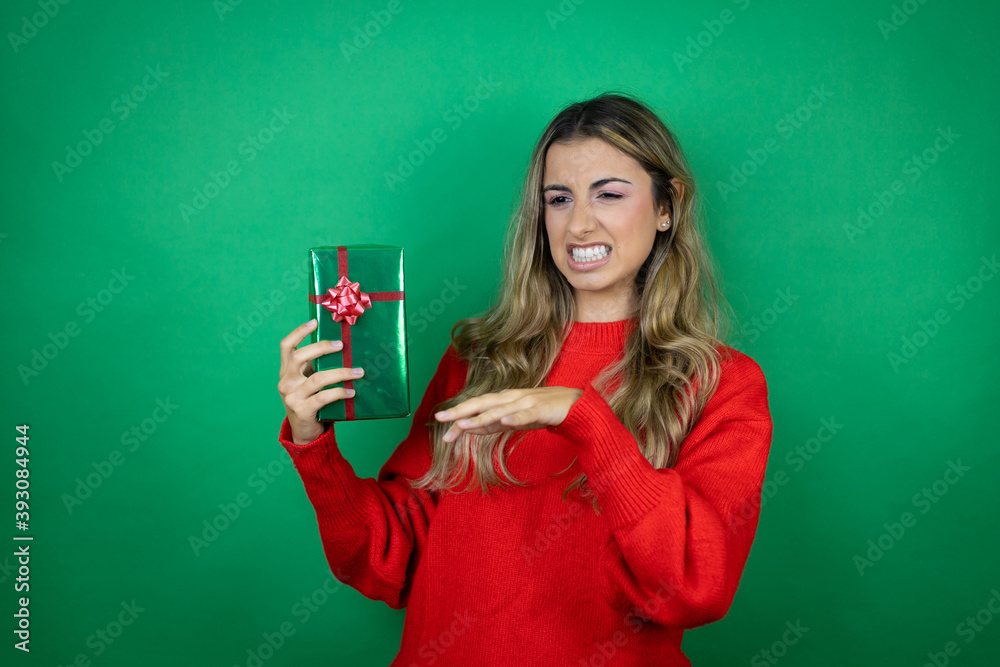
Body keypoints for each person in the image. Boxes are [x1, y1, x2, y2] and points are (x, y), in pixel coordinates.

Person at [276, 91, 773, 666]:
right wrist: (314, 445)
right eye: (558, 199)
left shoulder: (722, 384)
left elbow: (696, 585)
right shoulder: (480, 359)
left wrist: (583, 418)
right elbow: (391, 560)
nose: (580, 224)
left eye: (609, 194)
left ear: (668, 206)